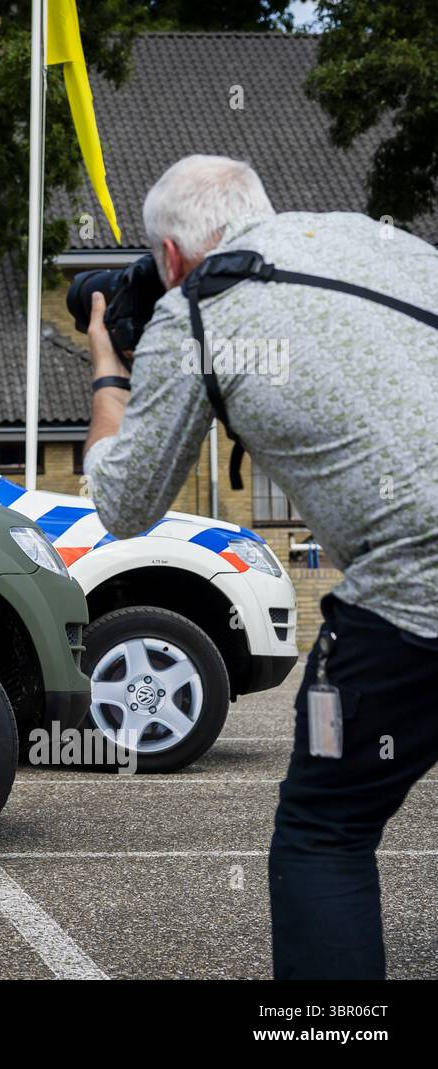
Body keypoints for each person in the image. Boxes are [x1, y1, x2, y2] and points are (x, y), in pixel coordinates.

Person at [81, 154, 438, 978]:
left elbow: (123, 503)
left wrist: (109, 367)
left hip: (414, 599)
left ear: (171, 261)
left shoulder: (199, 311)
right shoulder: (378, 240)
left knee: (326, 831)